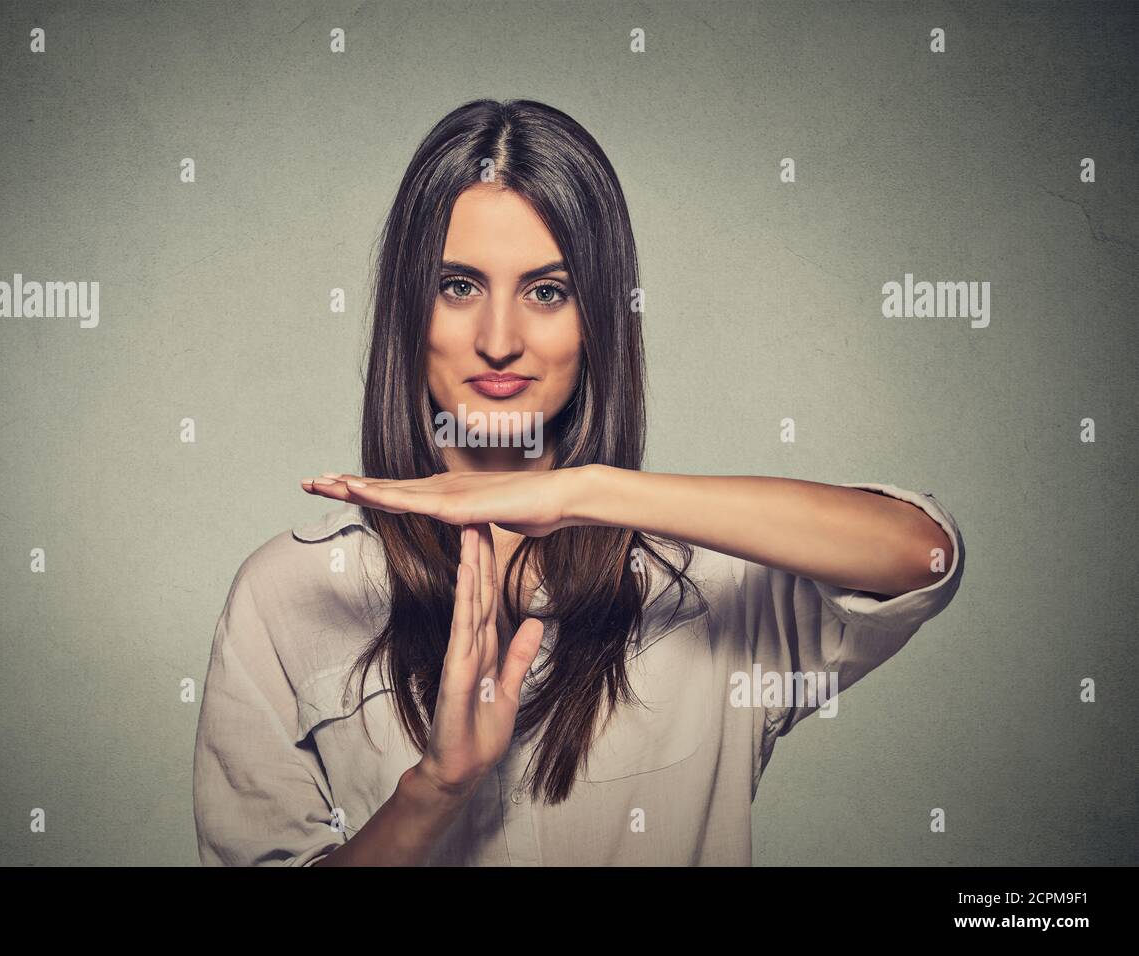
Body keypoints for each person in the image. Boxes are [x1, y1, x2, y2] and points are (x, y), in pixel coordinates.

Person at [192, 98, 966, 866]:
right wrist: (433, 790)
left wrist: (583, 493)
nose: (499, 341)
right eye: (458, 285)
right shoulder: (289, 592)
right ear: (407, 309)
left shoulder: (715, 581)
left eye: (547, 292)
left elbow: (920, 554)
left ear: (599, 318)